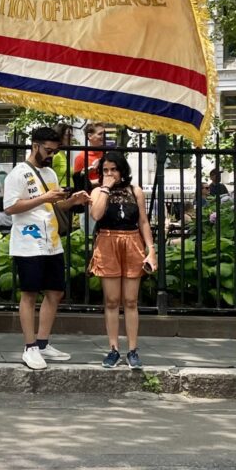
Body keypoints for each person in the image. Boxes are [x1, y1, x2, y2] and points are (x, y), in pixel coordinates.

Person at [3, 126, 91, 370]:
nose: (51, 155)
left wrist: (73, 201)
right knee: (30, 293)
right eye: (48, 150)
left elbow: (54, 207)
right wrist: (44, 198)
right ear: (35, 146)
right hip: (28, 243)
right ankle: (29, 347)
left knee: (55, 292)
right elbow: (10, 208)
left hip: (52, 242)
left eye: (55, 151)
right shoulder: (18, 174)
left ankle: (42, 343)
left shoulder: (50, 173)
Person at [88, 149, 157, 370]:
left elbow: (144, 221)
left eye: (114, 169)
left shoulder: (135, 191)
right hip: (107, 241)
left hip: (132, 241)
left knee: (130, 300)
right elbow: (96, 215)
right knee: (111, 300)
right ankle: (113, 349)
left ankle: (133, 349)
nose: (110, 173)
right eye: (106, 170)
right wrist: (106, 187)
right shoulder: (98, 191)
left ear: (122, 170)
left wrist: (151, 249)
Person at [51, 123, 74, 189]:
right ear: (59, 136)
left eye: (72, 135)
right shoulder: (55, 154)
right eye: (68, 135)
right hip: (59, 191)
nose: (71, 138)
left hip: (68, 190)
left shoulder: (64, 154)